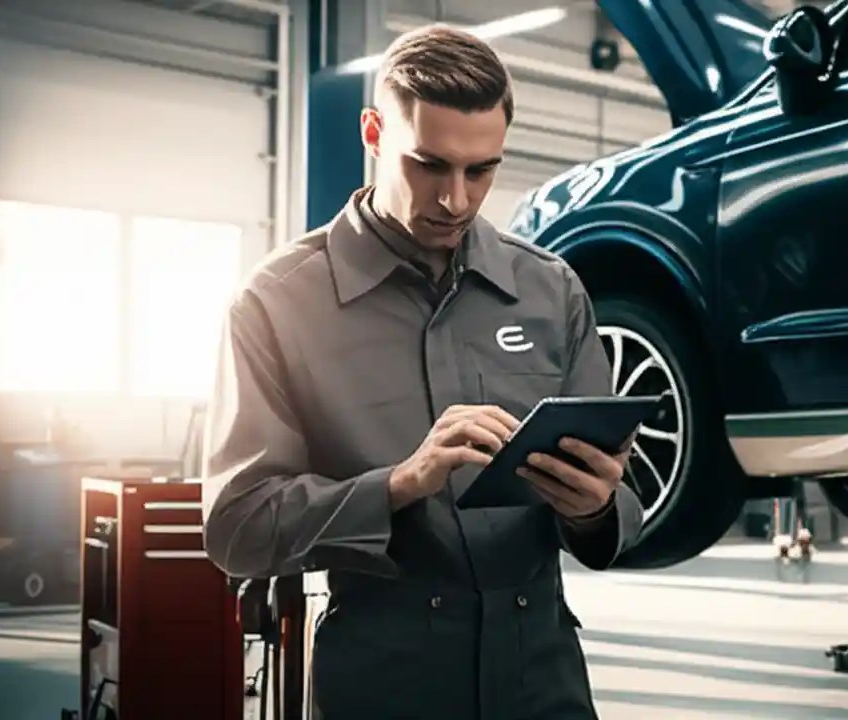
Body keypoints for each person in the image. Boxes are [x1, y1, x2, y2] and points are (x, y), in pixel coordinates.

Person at [200, 24, 644, 720]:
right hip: (384, 689)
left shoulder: (552, 292)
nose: (457, 200)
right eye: (429, 165)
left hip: (545, 685)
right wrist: (400, 486)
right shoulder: (277, 302)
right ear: (373, 132)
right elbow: (238, 529)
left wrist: (594, 507)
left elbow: (624, 503)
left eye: (482, 170)